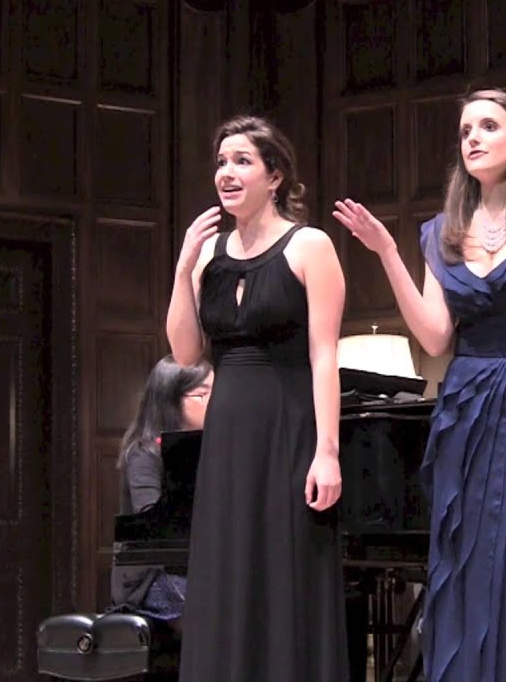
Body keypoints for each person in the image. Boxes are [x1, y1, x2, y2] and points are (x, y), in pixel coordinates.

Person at [332, 88, 506, 682]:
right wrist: (387, 251)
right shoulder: (442, 234)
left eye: (487, 126)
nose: (473, 139)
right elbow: (435, 339)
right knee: (467, 561)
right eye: (465, 130)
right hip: (467, 410)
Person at [167, 115, 348, 681]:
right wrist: (181, 271)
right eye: (221, 162)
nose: (227, 172)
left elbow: (324, 355)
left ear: (275, 176)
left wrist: (328, 451)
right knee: (228, 571)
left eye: (242, 160)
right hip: (227, 435)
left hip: (289, 427)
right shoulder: (207, 256)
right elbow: (185, 351)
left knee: (285, 570)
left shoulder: (309, 245)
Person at [110, 355, 213, 635]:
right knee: (214, 612)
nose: (215, 402)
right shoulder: (144, 452)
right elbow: (154, 523)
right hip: (152, 577)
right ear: (172, 399)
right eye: (204, 394)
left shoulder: (212, 448)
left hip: (196, 567)